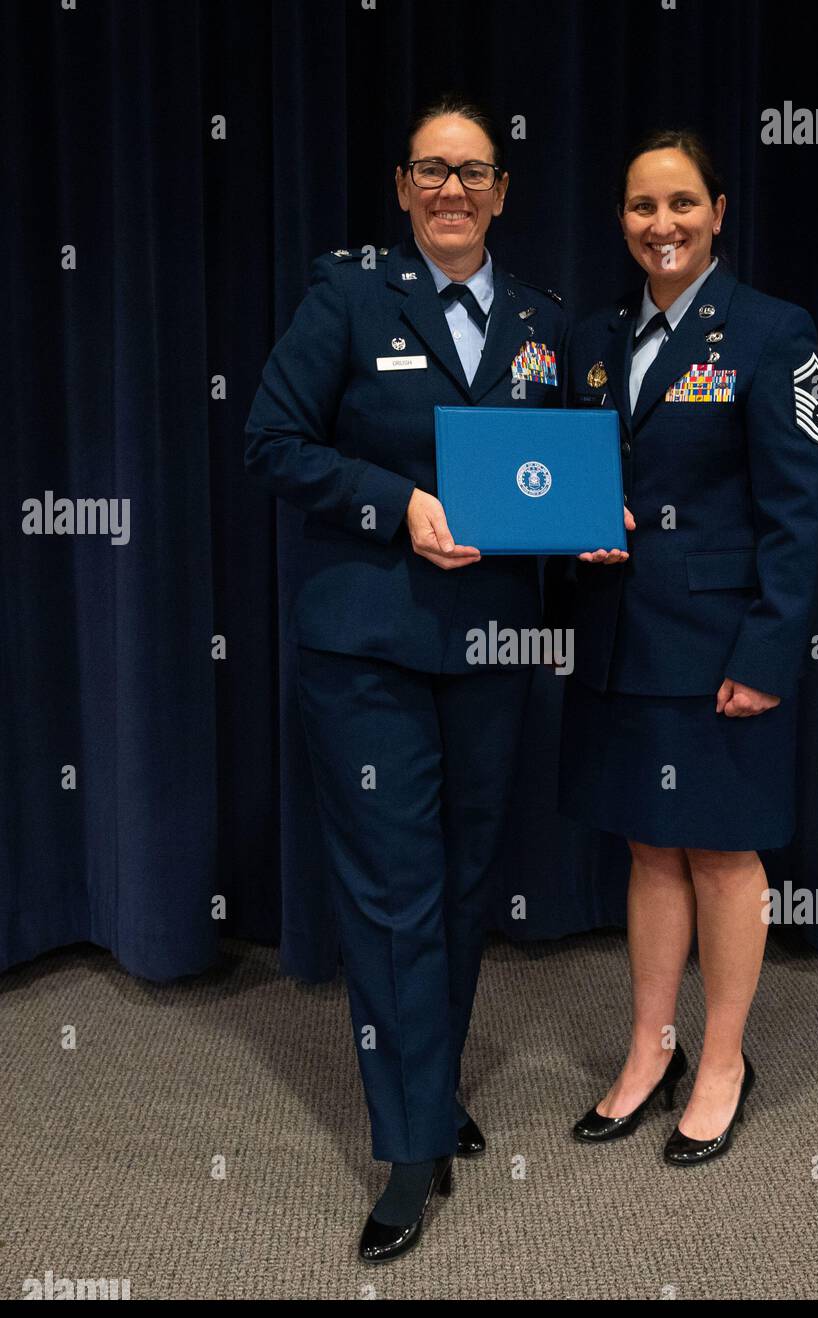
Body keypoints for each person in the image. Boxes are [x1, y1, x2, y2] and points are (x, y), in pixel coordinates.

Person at [244, 95, 568, 1259]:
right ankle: (406, 1147)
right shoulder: (346, 296)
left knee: (467, 875)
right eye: (431, 171)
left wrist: (590, 517)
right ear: (400, 186)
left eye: (472, 171)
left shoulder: (541, 319)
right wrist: (398, 506)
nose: (451, 190)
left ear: (500, 191)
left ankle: (430, 1094)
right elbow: (272, 441)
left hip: (490, 652)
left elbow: (558, 468)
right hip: (366, 649)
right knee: (390, 893)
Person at [557, 129, 818, 1166]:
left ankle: (721, 1061)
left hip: (721, 644)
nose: (659, 224)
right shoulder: (589, 341)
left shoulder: (771, 333)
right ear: (619, 219)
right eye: (639, 206)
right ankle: (649, 1047)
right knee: (644, 845)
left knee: (720, 851)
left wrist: (767, 654)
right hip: (620, 639)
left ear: (718, 211)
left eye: (680, 203)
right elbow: (570, 483)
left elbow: (798, 512)